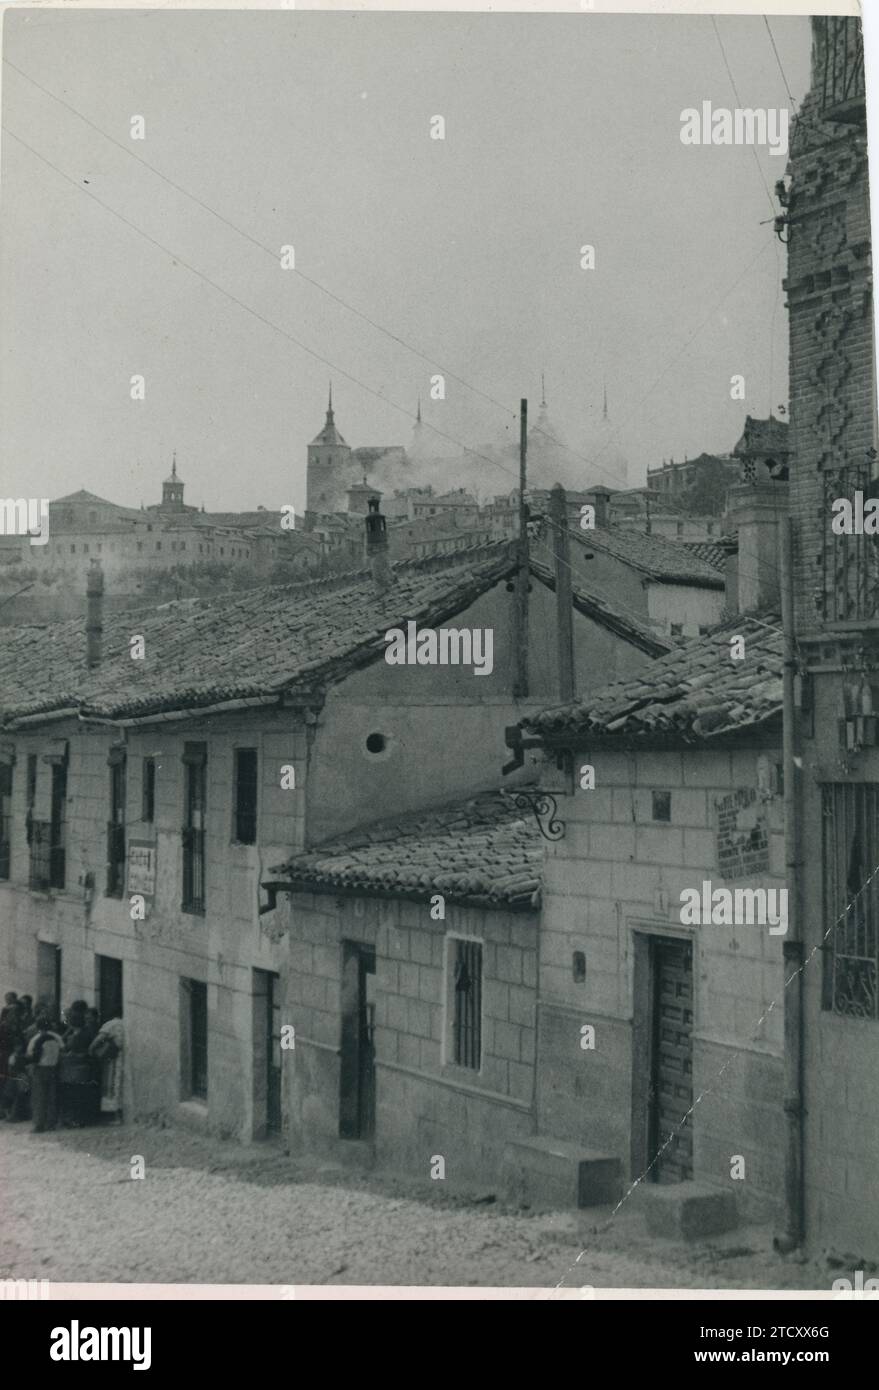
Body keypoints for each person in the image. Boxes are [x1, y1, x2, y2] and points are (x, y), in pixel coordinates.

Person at [58, 1001, 100, 1127]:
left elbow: (73, 1048)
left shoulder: (81, 1034)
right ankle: (76, 1119)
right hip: (77, 1068)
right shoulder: (79, 1032)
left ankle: (75, 1119)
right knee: (76, 1094)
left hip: (76, 1067)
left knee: (75, 1094)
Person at [26, 1010, 62, 1133]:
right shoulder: (57, 1037)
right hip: (54, 1069)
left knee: (39, 1097)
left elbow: (31, 1055)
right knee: (52, 1096)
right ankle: (51, 1122)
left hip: (40, 1069)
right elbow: (63, 1050)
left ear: (38, 1026)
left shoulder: (36, 1039)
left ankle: (39, 1124)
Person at [89, 1016, 124, 1121]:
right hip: (125, 1058)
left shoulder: (111, 1024)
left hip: (113, 1058)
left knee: (112, 1085)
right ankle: (120, 1115)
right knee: (120, 1085)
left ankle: (114, 1116)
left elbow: (98, 1039)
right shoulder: (126, 1023)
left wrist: (90, 1049)